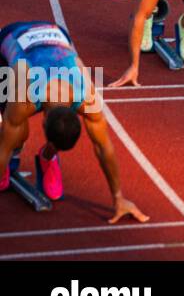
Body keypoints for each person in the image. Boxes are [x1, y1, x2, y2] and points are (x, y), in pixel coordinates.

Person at [1, 20, 147, 223]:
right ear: (43, 123)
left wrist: (118, 197)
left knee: (61, 131)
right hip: (11, 39)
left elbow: (104, 147)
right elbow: (3, 148)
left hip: (56, 34)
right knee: (14, 132)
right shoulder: (24, 96)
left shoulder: (87, 96)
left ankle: (47, 158)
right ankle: (14, 156)